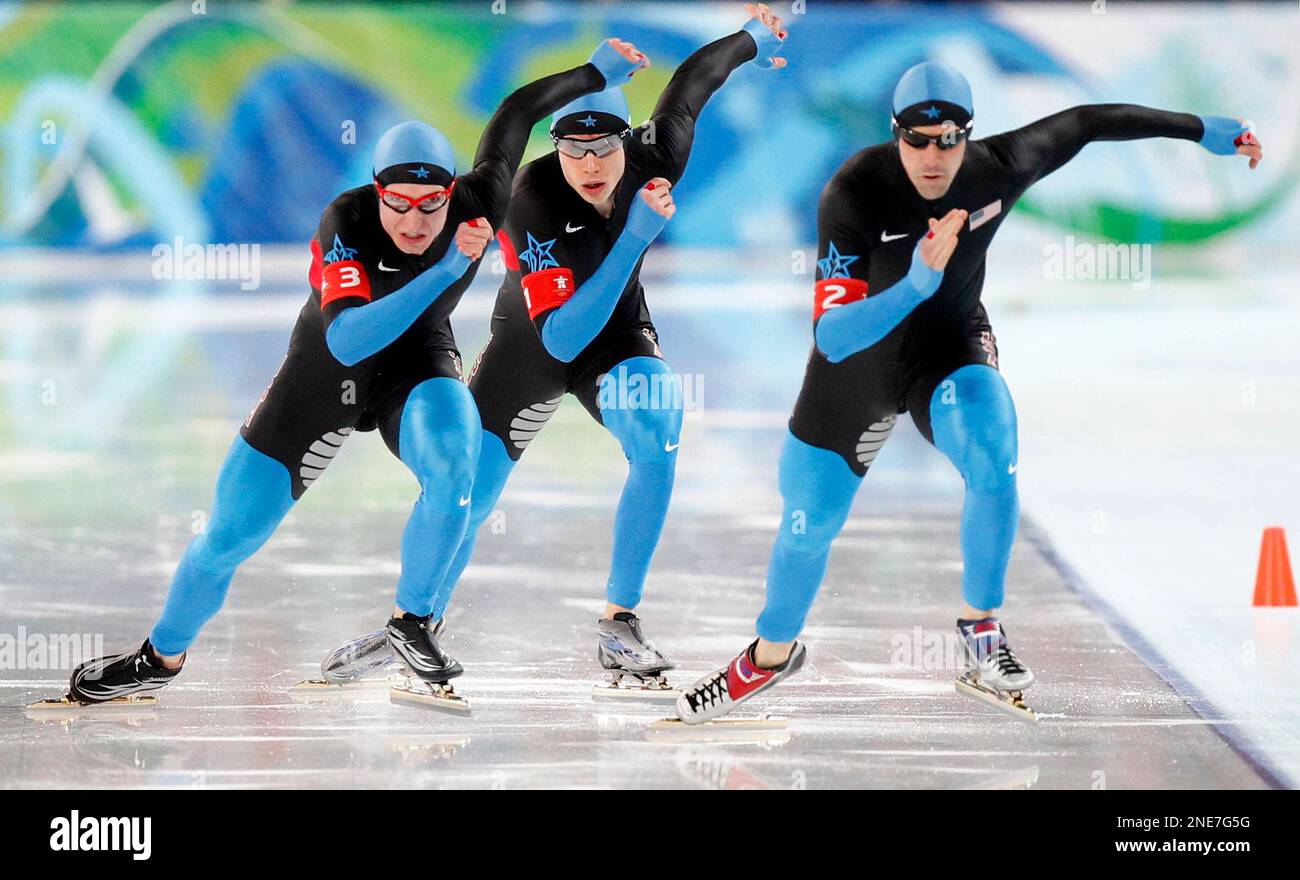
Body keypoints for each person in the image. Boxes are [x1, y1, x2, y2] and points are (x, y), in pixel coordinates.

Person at [58, 39, 651, 707]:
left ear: (453, 191)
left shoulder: (478, 200)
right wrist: (452, 270)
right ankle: (159, 657)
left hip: (415, 365)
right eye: (399, 203)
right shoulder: (345, 218)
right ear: (377, 193)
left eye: (432, 204)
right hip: (324, 374)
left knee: (457, 458)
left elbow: (515, 112)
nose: (415, 220)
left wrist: (593, 74)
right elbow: (346, 339)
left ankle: (410, 622)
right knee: (227, 536)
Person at [675, 60, 1263, 723]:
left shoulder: (999, 167)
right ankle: (766, 659)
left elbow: (1089, 122)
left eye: (949, 138)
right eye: (917, 140)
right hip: (857, 369)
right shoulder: (855, 192)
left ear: (969, 135)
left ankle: (982, 630)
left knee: (993, 456)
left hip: (947, 351)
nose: (933, 155)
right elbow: (833, 336)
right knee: (807, 528)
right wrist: (916, 285)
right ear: (896, 135)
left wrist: (1201, 130)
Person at [422, 3, 787, 693]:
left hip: (614, 338)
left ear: (631, 141)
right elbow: (560, 335)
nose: (590, 165)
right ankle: (419, 624)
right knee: (471, 490)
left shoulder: (659, 155)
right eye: (573, 150)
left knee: (657, 431)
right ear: (555, 148)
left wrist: (752, 41)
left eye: (605, 149)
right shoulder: (532, 194)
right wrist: (636, 236)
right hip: (533, 342)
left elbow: (693, 80)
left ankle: (619, 622)